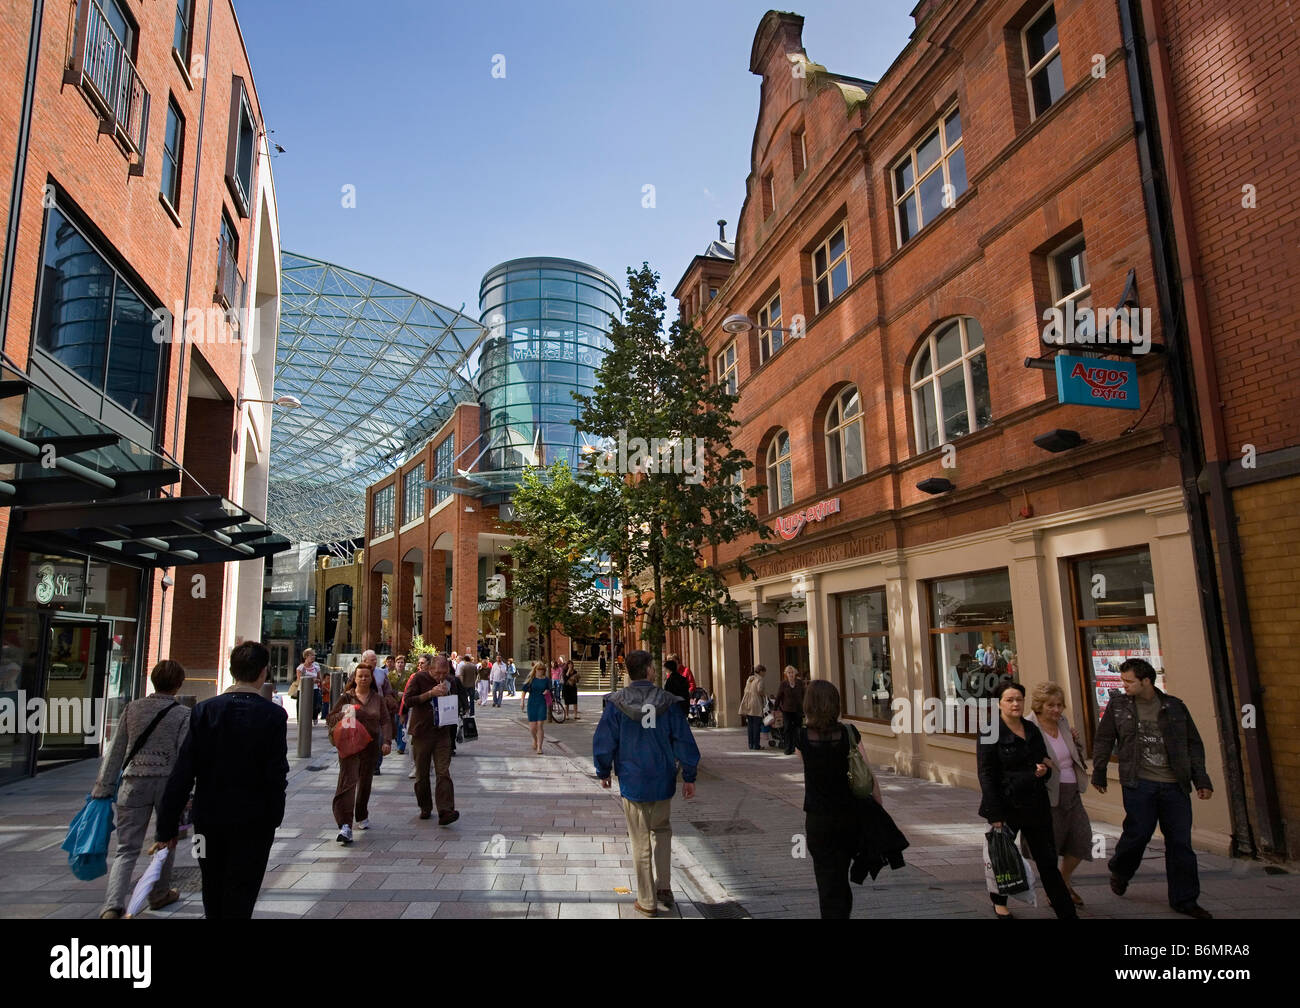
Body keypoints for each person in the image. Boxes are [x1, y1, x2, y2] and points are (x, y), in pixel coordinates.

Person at [154, 642, 288, 919]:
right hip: (255, 821)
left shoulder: (204, 711)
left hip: (209, 819)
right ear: (264, 672)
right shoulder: (273, 715)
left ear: (231, 671)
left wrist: (167, 826)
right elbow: (276, 775)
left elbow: (183, 771)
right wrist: (274, 817)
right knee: (243, 889)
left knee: (211, 885)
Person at [1092, 658, 1213, 919]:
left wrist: (1200, 779)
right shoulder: (1119, 706)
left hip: (1174, 786)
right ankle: (1121, 870)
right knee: (1138, 834)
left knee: (1180, 843)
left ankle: (1185, 899)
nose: (1123, 685)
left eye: (1128, 681)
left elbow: (1193, 744)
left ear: (1146, 681)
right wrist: (1099, 771)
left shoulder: (1174, 707)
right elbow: (1104, 739)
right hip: (1139, 783)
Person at [593, 649, 700, 917]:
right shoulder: (667, 702)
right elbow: (683, 740)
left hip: (633, 778)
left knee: (640, 839)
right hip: (662, 777)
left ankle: (646, 899)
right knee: (662, 831)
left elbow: (604, 741)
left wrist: (603, 770)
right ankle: (664, 887)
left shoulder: (616, 702)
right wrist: (689, 775)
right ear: (650, 670)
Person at [796, 679, 903, 918]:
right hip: (848, 817)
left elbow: (807, 765)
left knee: (826, 879)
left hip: (818, 820)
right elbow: (866, 773)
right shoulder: (848, 732)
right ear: (835, 704)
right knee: (841, 876)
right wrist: (878, 807)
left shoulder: (802, 737)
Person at [93, 659, 192, 919]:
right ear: (179, 684)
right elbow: (185, 755)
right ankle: (159, 893)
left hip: (133, 781)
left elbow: (115, 750)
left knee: (126, 848)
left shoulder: (132, 708)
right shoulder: (182, 714)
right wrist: (189, 792)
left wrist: (103, 786)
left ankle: (113, 905)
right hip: (168, 784)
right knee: (165, 839)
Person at [977, 681, 1078, 919]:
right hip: (1007, 805)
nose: (1015, 704)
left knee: (1047, 862)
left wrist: (1045, 771)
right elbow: (986, 773)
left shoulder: (1031, 729)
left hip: (1036, 804)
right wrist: (995, 814)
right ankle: (999, 902)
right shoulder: (990, 730)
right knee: (1003, 857)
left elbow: (1044, 760)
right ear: (999, 703)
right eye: (1009, 700)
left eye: (1019, 699)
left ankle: (1067, 913)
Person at [1026, 681, 1093, 905]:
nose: (1056, 710)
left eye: (1059, 705)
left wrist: (1076, 741)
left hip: (1071, 790)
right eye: (1050, 706)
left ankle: (1063, 880)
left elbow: (1075, 755)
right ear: (1039, 706)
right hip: (1047, 794)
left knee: (1081, 839)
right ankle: (1055, 890)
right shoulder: (1028, 727)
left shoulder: (1063, 723)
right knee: (1049, 846)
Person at [328, 661, 393, 845]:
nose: (363, 679)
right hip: (349, 746)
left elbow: (386, 721)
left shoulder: (377, 699)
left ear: (371, 678)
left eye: (367, 676)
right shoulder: (346, 698)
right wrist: (344, 713)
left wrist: (387, 741)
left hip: (370, 746)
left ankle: (362, 813)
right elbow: (330, 718)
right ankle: (345, 825)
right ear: (354, 679)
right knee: (347, 782)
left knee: (365, 782)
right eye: (360, 676)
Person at [402, 654, 459, 825]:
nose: (441, 677)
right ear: (430, 669)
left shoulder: (450, 681)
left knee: (443, 772)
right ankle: (425, 806)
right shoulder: (419, 678)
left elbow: (456, 701)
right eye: (437, 673)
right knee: (422, 774)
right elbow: (408, 701)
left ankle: (446, 810)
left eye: (444, 672)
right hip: (422, 732)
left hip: (442, 732)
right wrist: (429, 694)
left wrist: (448, 697)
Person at [521, 661, 551, 754]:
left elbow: (550, 689)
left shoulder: (546, 680)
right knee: (532, 728)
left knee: (540, 725)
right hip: (532, 703)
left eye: (542, 670)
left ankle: (539, 747)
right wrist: (522, 701)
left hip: (542, 703)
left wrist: (547, 691)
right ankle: (535, 739)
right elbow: (524, 690)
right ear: (535, 670)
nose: (540, 671)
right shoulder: (531, 679)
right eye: (538, 669)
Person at [775, 665, 805, 756]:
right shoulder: (783, 684)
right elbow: (779, 696)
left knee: (797, 729)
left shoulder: (800, 683)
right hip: (787, 710)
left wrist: (806, 707)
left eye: (792, 672)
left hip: (798, 709)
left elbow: (804, 694)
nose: (791, 674)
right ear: (786, 674)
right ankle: (788, 748)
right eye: (789, 673)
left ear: (795, 673)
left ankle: (797, 748)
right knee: (787, 729)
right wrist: (775, 708)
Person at [740, 665, 767, 750]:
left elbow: (745, 690)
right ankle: (756, 745)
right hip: (756, 704)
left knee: (750, 725)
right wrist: (765, 695)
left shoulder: (750, 679)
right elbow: (760, 690)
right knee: (756, 725)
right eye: (764, 671)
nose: (765, 673)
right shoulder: (760, 679)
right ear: (761, 671)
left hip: (748, 704)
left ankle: (751, 744)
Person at [294, 648, 322, 722]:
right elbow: (300, 679)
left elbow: (319, 679)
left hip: (314, 689)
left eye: (314, 655)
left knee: (314, 705)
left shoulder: (316, 666)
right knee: (301, 705)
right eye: (311, 655)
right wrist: (312, 680)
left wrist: (317, 681)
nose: (313, 657)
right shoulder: (300, 667)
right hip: (303, 689)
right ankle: (300, 720)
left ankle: (314, 717)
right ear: (306, 656)